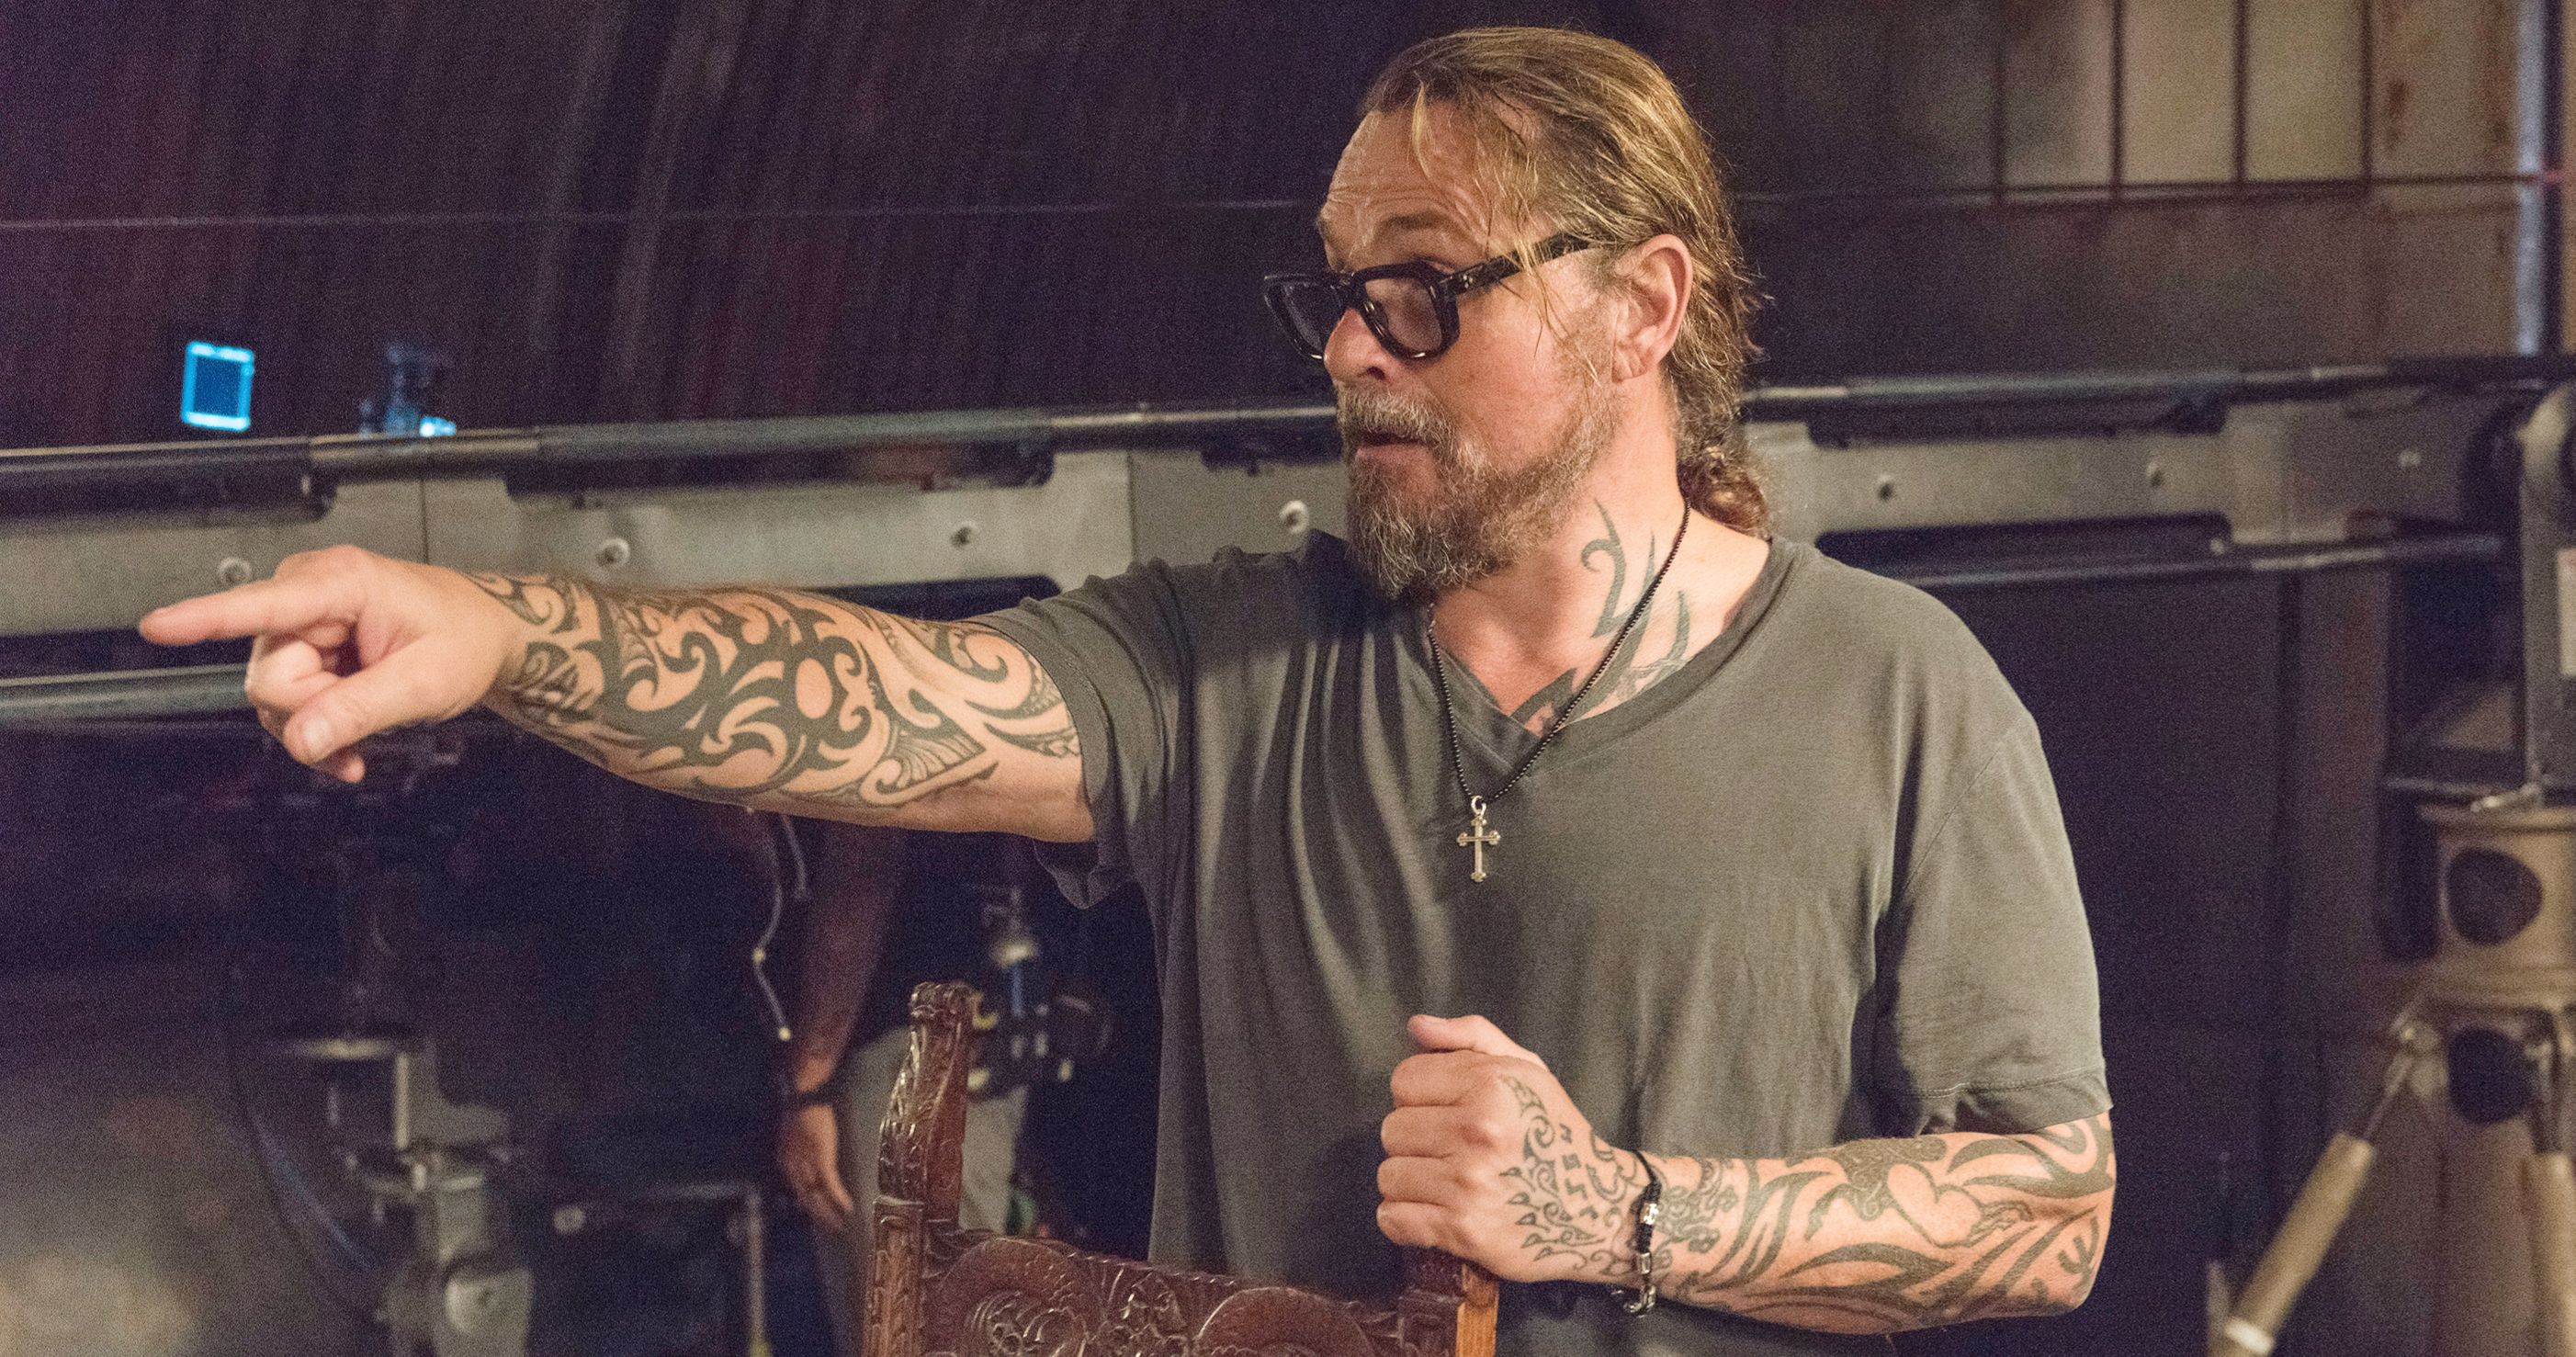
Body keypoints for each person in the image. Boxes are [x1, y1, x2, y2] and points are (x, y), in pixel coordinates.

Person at [141, 27, 2113, 1356]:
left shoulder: (1899, 700)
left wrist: (1622, 1213)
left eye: (1422, 285)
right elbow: (883, 704)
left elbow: (2049, 1203)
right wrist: (504, 633)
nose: (1351, 348)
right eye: (1334, 290)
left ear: (1641, 306)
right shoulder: (1232, 662)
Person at [763, 820, 1028, 1356]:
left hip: (903, 1044)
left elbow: (862, 866)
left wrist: (808, 1084)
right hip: (958, 1028)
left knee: (916, 1334)